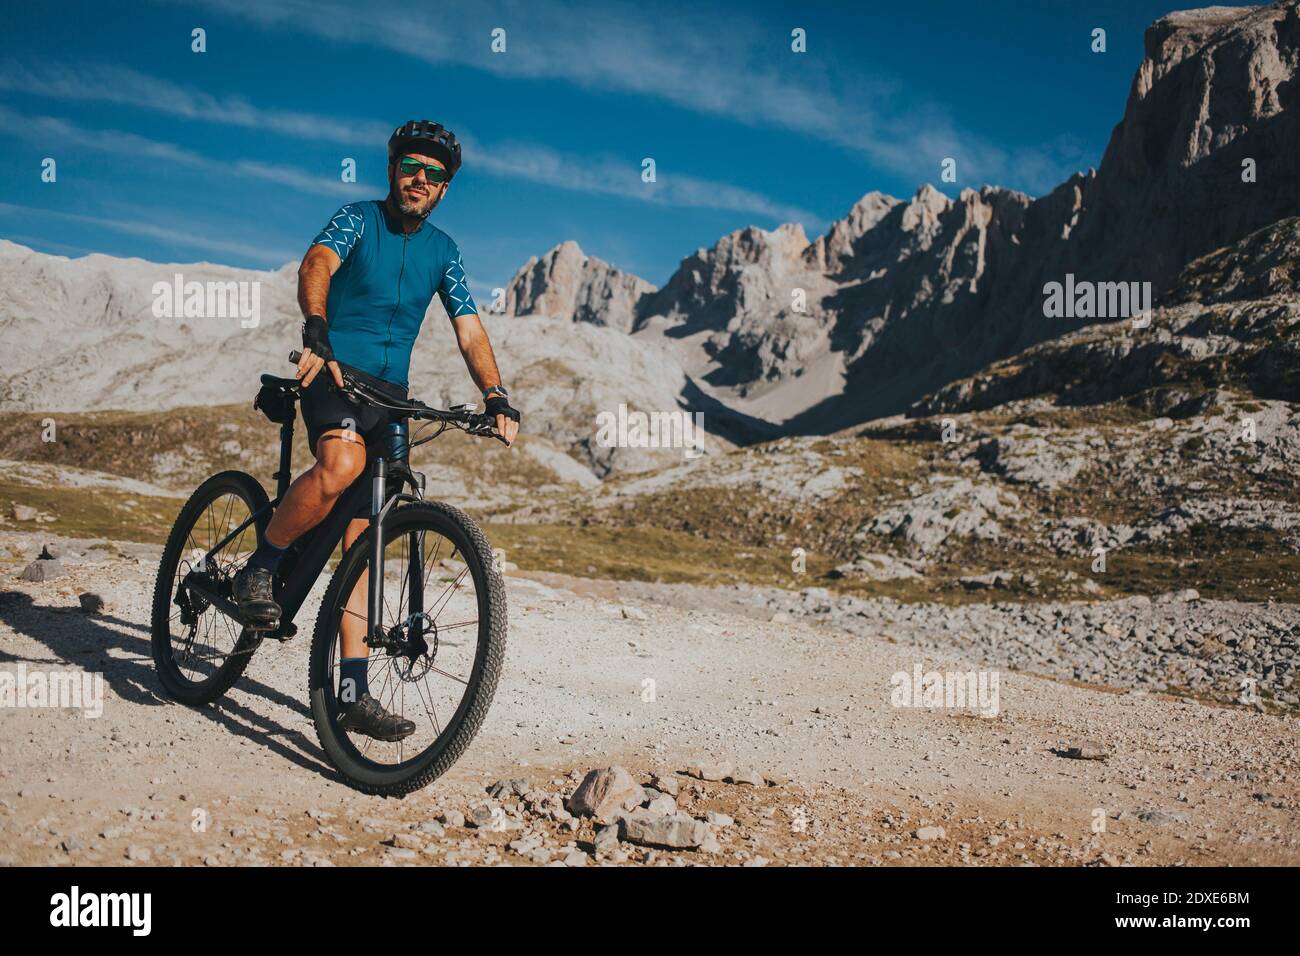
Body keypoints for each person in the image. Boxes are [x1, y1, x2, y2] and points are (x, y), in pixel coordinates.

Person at [234, 120, 520, 740]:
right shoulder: (359, 218)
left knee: (366, 544)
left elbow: (468, 327)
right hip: (334, 371)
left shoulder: (444, 251)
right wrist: (316, 327)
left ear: (445, 188)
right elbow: (318, 262)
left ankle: (353, 690)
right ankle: (262, 562)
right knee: (339, 467)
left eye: (435, 175)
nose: (420, 180)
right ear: (392, 170)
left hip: (390, 397)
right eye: (411, 168)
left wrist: (495, 393)